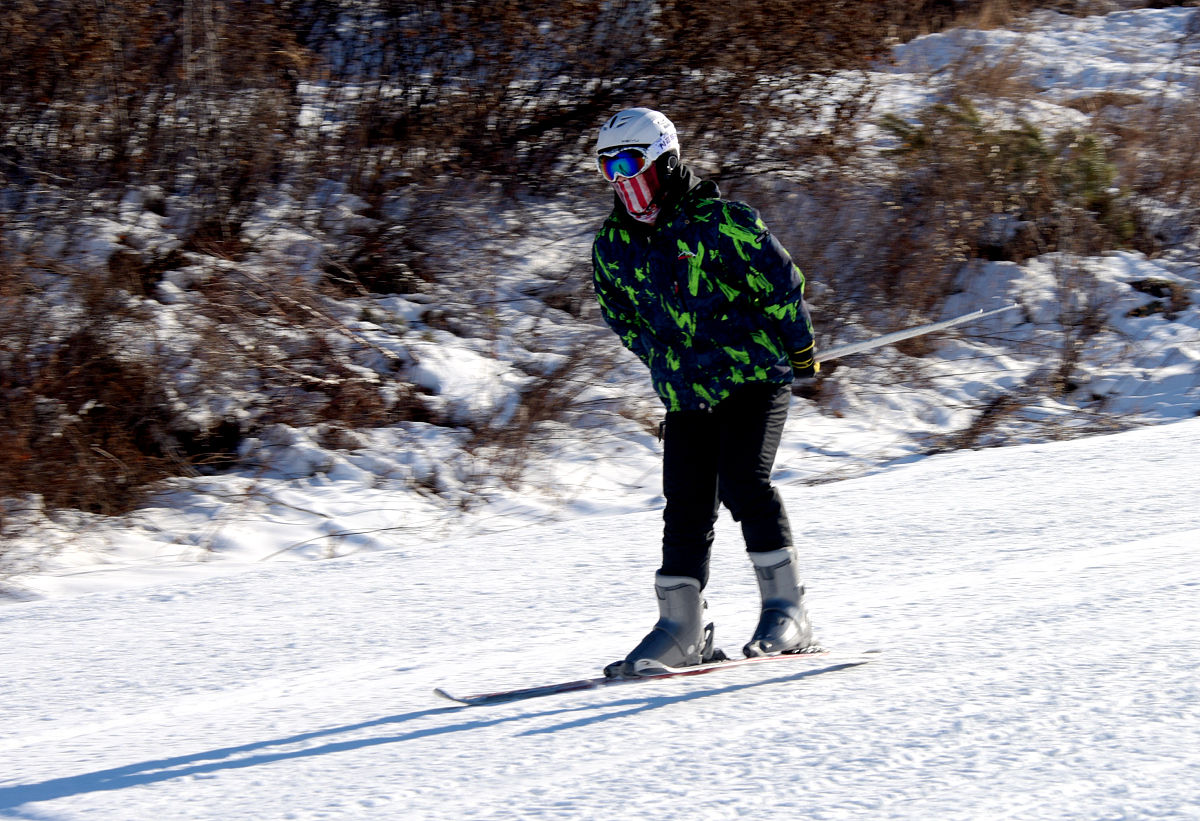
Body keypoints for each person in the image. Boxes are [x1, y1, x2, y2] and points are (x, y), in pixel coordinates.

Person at [590, 107, 820, 677]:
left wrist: (800, 350)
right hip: (687, 392)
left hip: (754, 377)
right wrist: (667, 360)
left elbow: (781, 285)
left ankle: (787, 613)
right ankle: (681, 629)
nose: (621, 180)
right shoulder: (614, 244)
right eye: (607, 168)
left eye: (630, 163)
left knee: (745, 481)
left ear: (665, 161)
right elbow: (619, 315)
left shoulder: (723, 223)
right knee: (686, 505)